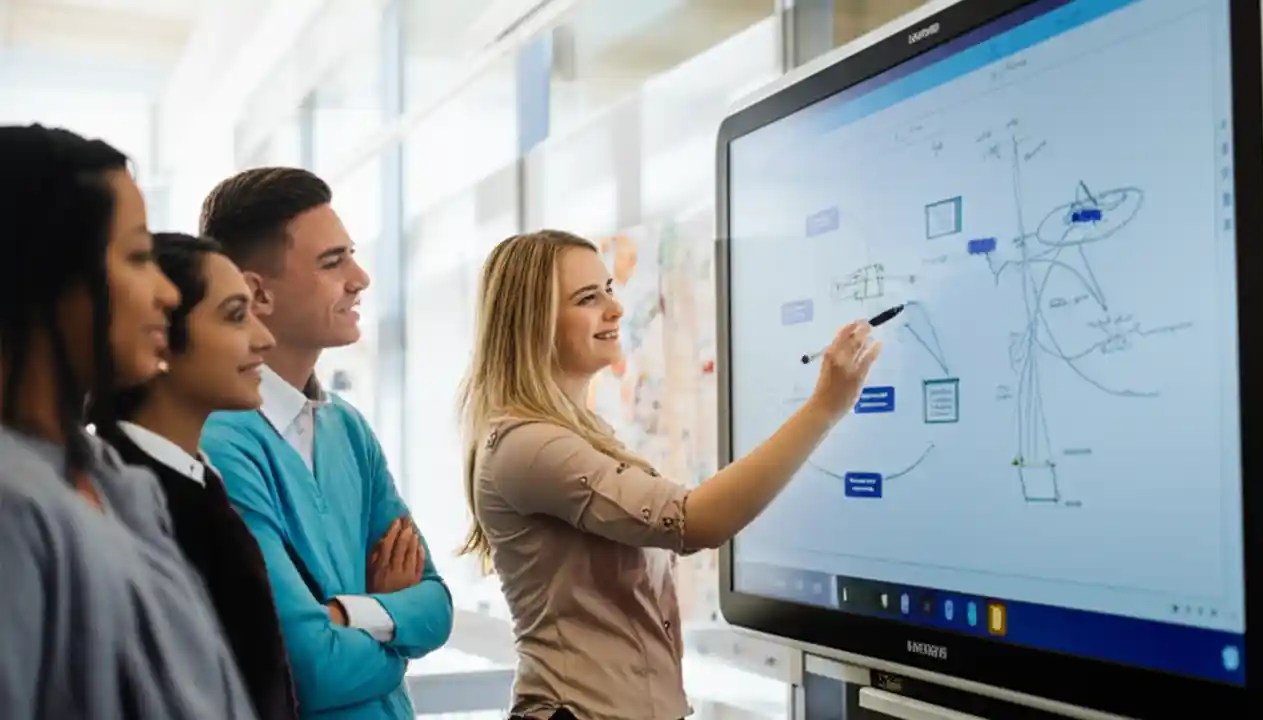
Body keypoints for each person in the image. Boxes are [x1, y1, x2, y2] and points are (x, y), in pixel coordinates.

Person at [459, 229, 883, 719]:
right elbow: (692, 520)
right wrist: (824, 407)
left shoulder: (575, 433)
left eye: (609, 290)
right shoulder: (529, 445)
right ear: (532, 323)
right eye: (587, 298)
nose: (615, 310)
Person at [0, 125, 257, 719]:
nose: (166, 293)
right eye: (138, 257)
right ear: (49, 273)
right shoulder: (13, 506)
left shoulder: (113, 480)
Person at [197, 167, 453, 720]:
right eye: (333, 262)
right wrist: (394, 633)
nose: (360, 277)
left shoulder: (349, 429)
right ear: (256, 293)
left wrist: (342, 614)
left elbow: (437, 606)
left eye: (352, 256)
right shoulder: (219, 440)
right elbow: (308, 669)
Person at [89, 233, 300, 720]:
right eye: (234, 315)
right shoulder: (125, 503)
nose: (264, 338)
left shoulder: (195, 483)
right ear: (158, 331)